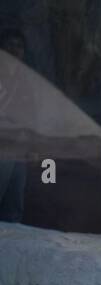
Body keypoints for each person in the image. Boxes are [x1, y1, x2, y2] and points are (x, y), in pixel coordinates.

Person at [0, 27, 29, 221]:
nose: (15, 50)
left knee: (13, 207)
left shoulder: (23, 77)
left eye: (19, 46)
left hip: (18, 146)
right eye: (10, 45)